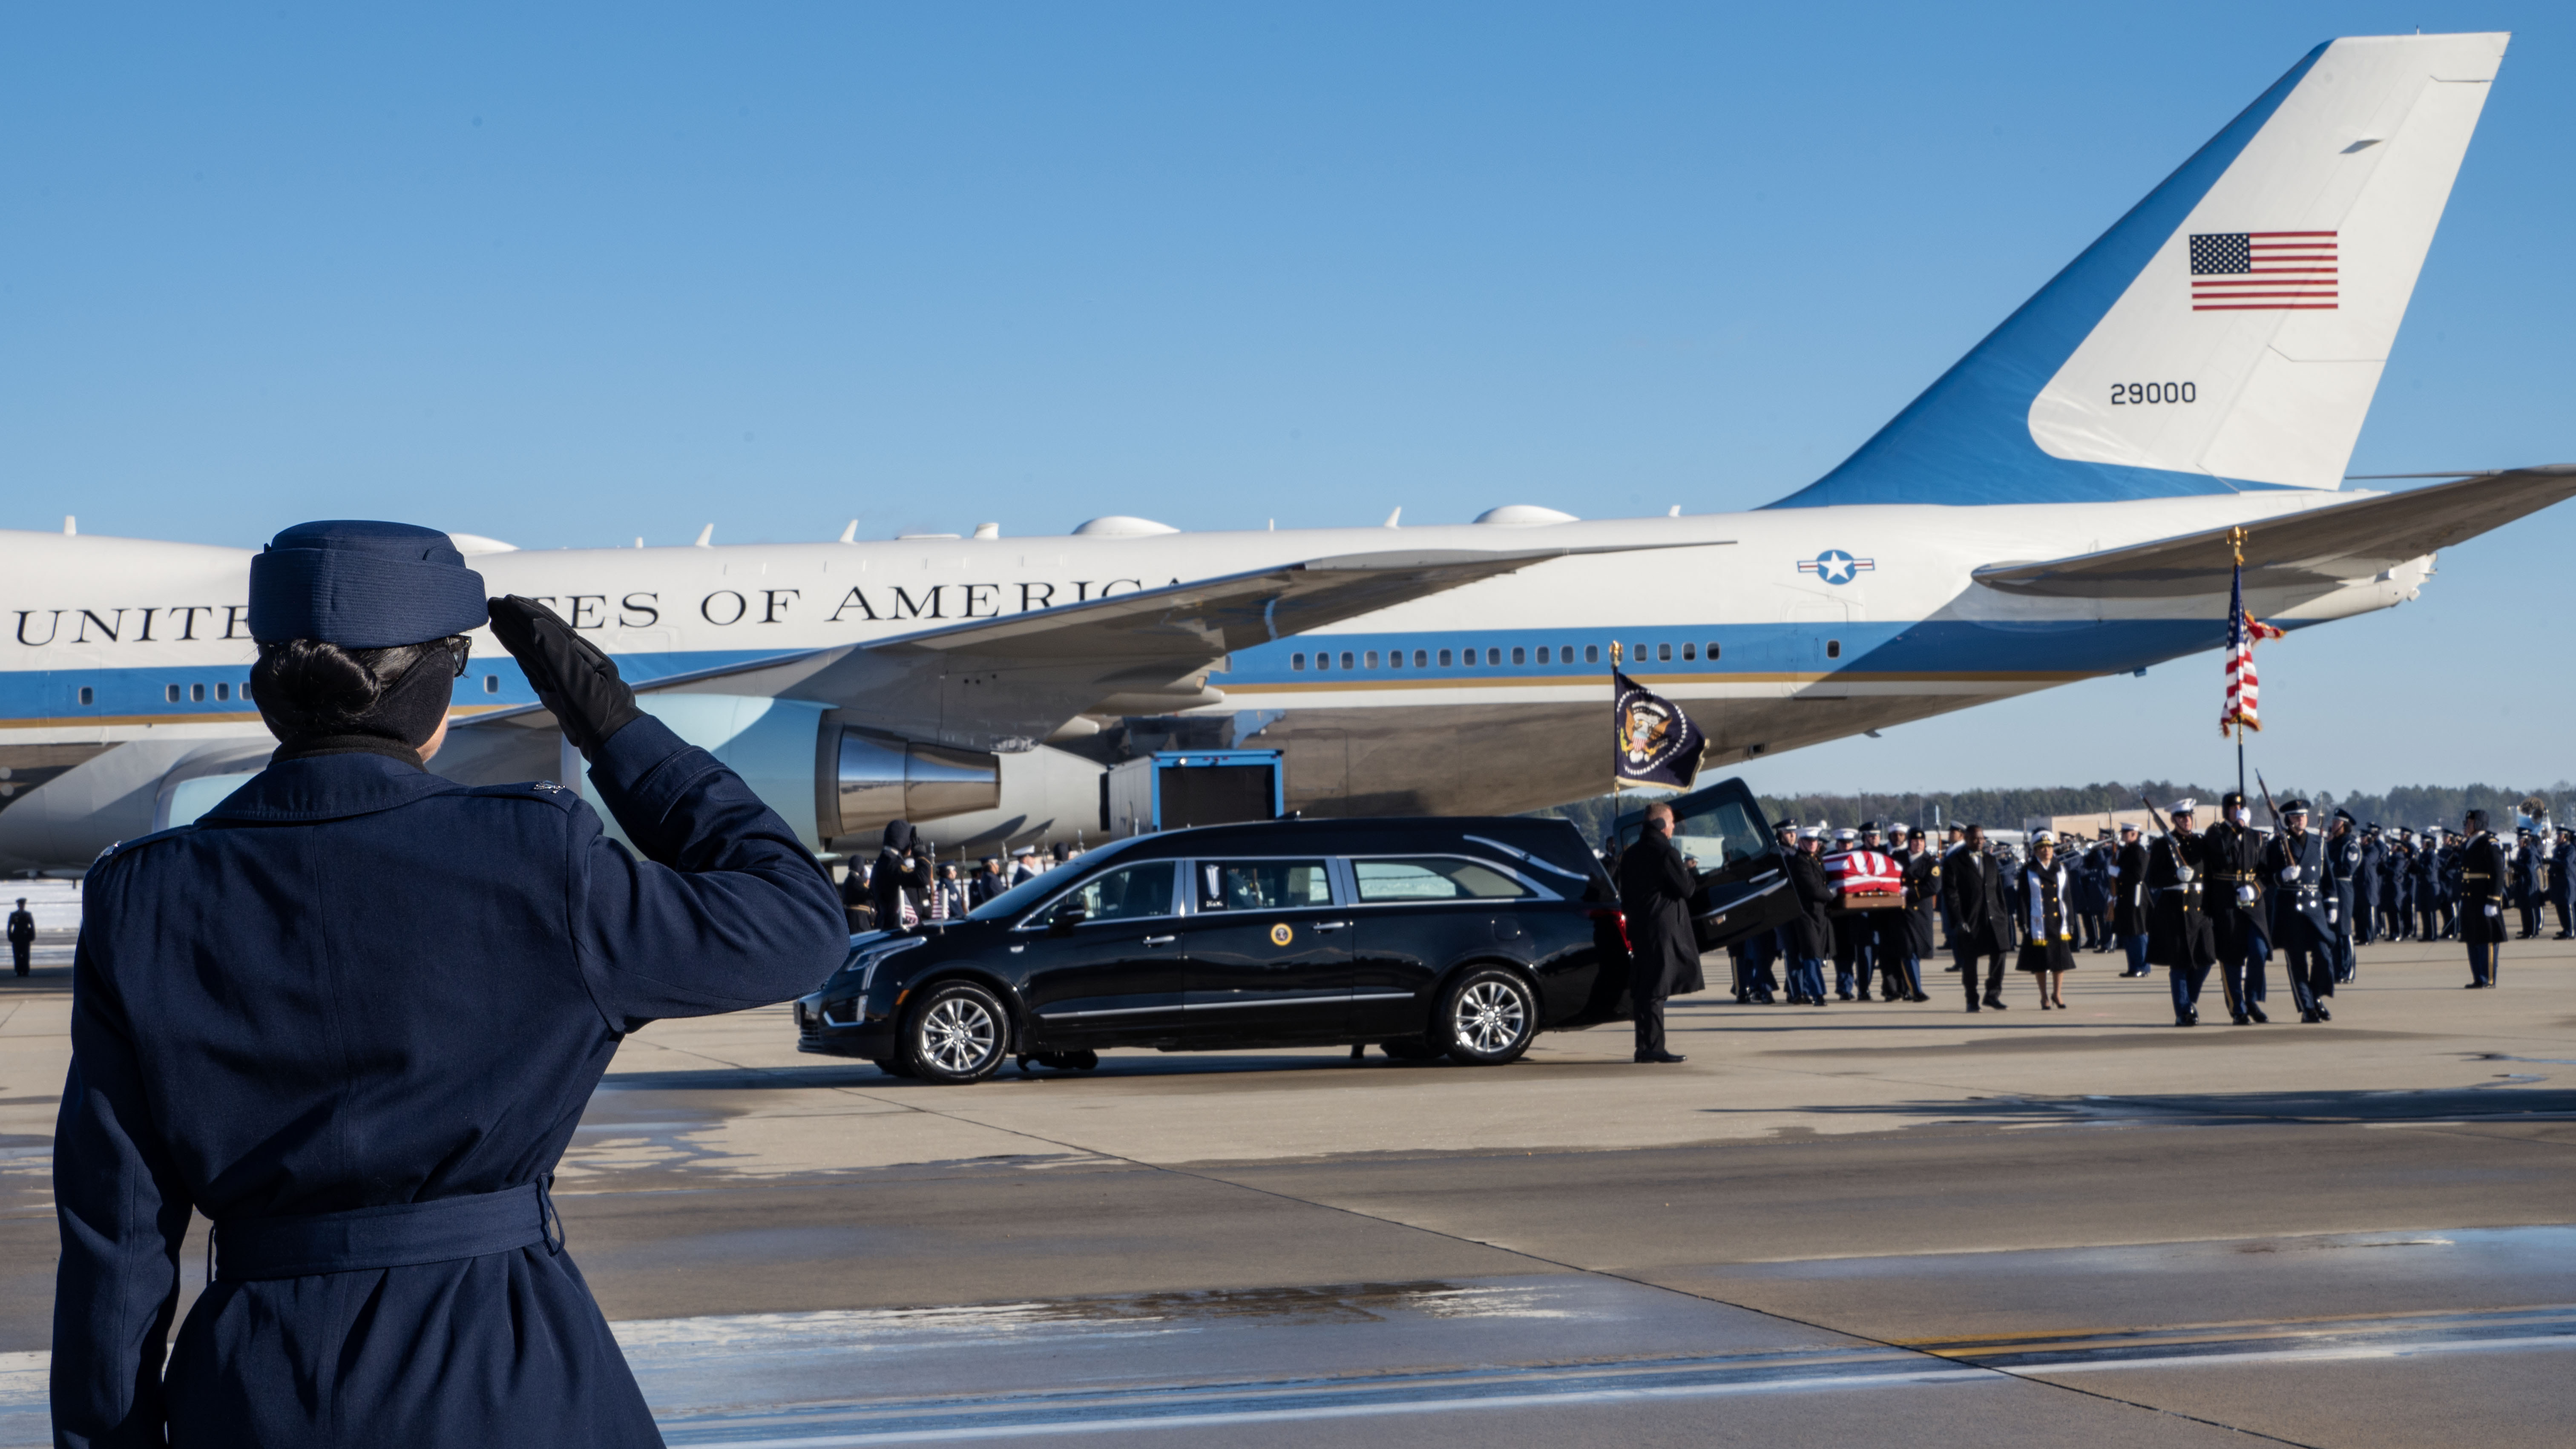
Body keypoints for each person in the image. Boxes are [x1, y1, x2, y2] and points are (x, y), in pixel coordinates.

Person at [49, 523, 847, 1446]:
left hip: (256, 1390)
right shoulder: (535, 860)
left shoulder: (142, 898)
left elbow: (116, 1242)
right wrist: (620, 735)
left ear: (274, 690)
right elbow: (799, 924)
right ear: (434, 688)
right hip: (502, 1375)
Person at [1616, 801, 1696, 1062]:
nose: (1674, 828)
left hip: (1639, 927)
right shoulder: (1666, 853)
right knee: (1656, 991)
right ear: (1661, 824)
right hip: (1661, 929)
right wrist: (1689, 872)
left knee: (1644, 989)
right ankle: (1654, 1048)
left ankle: (1644, 1046)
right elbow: (1686, 889)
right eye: (1671, 823)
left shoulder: (1630, 854)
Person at [2262, 799, 2337, 1023]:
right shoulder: (2277, 844)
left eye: (2303, 815)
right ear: (2288, 819)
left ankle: (2316, 996)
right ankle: (2308, 1008)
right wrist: (2281, 876)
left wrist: (2332, 904)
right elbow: (2266, 876)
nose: (2301, 819)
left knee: (2323, 955)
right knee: (2297, 963)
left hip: (2315, 908)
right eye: (2296, 816)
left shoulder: (2318, 843)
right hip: (2290, 909)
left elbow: (2328, 878)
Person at [2146, 801, 2218, 1026]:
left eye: (2189, 816)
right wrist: (2175, 876)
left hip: (2200, 907)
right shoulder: (2162, 845)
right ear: (2174, 820)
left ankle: (2189, 1003)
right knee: (2179, 964)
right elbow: (2152, 879)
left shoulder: (2201, 843)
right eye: (2182, 817)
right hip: (2175, 909)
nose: (2187, 820)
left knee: (2206, 959)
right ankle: (2183, 1012)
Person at [2202, 791, 2268, 1024]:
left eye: (2241, 807)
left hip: (2252, 903)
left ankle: (2252, 999)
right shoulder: (2215, 833)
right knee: (2231, 957)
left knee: (2259, 950)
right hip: (2226, 902)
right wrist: (2238, 827)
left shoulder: (2256, 837)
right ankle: (2237, 1008)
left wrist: (2255, 889)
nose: (2238, 811)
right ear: (2226, 810)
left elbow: (2264, 872)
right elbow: (2220, 851)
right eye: (2233, 808)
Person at [1941, 824, 2011, 1012]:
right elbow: (1951, 895)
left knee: (2000, 953)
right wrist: (1958, 920)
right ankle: (1972, 999)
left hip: (1994, 917)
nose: (1979, 842)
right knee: (1970, 961)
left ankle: (1993, 995)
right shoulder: (1954, 862)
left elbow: (1998, 890)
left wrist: (2003, 914)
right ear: (1966, 839)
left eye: (1981, 838)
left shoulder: (1990, 860)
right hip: (1970, 919)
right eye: (1975, 838)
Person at [2016, 833, 2077, 1009]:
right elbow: (2022, 898)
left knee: (2060, 961)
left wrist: (2071, 920)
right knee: (2040, 962)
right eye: (2042, 848)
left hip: (2058, 920)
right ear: (2035, 851)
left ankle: (2057, 994)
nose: (2047, 850)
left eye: (2049, 847)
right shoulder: (2028, 870)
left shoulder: (2061, 868)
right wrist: (2023, 921)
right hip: (2038, 922)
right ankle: (2044, 996)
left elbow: (2067, 896)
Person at [1776, 820, 1833, 1006]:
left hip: (1817, 915)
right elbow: (1813, 889)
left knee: (1811, 955)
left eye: (1815, 840)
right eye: (1808, 841)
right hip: (1804, 915)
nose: (1812, 844)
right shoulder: (1799, 861)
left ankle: (1803, 992)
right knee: (1809, 955)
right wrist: (1831, 895)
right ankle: (1815, 994)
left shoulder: (1814, 859)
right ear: (1801, 842)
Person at [1884, 827, 1936, 1002]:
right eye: (1915, 841)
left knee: (1916, 951)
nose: (1918, 844)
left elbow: (1933, 886)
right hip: (1902, 913)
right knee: (1908, 952)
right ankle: (1916, 991)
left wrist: (1911, 892)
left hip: (1920, 913)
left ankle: (1909, 989)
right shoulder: (1898, 858)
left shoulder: (1930, 862)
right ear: (1909, 843)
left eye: (1921, 841)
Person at [2458, 810, 2507, 988]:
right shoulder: (2468, 843)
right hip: (2471, 899)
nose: (2467, 825)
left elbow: (2498, 874)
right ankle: (2479, 977)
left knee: (2487, 939)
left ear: (2479, 824)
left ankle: (2488, 979)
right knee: (2473, 938)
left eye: (2471, 822)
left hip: (2484, 899)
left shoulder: (2489, 843)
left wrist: (2493, 900)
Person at [871, 820, 930, 932]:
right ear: (903, 841)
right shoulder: (892, 864)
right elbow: (923, 878)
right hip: (896, 927)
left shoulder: (883, 862)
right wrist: (921, 854)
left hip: (889, 924)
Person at [2326, 810, 2363, 984]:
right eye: (2333, 822)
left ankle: (2348, 971)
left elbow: (2348, 868)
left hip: (2343, 888)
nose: (2333, 825)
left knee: (2344, 931)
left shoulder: (2351, 844)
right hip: (2330, 889)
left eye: (2337, 822)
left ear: (2345, 825)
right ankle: (2336, 969)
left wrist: (2331, 868)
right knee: (2333, 931)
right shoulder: (2331, 844)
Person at [2109, 822, 2150, 977]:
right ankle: (2133, 967)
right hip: (2125, 896)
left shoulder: (2139, 851)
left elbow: (2139, 876)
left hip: (2136, 896)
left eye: (2126, 833)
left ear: (2134, 834)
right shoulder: (2125, 851)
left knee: (2138, 932)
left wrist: (2119, 873)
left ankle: (2143, 967)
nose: (2123, 835)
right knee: (2128, 933)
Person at [2550, 827, 2576, 940]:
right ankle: (2565, 929)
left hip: (2567, 881)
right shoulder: (2558, 849)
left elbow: (2566, 863)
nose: (2558, 837)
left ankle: (2571, 931)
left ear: (2566, 837)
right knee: (2560, 906)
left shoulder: (2570, 849)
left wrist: (2553, 862)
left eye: (2560, 835)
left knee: (2567, 905)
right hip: (2558, 882)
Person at [6, 897, 31, 978]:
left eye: (23, 905)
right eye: (21, 905)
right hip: (16, 938)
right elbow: (10, 926)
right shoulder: (14, 915)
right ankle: (18, 971)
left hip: (25, 937)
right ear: (18, 905)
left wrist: (32, 936)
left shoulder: (28, 914)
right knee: (17, 955)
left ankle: (26, 971)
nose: (22, 906)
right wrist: (10, 936)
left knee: (26, 955)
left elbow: (32, 926)